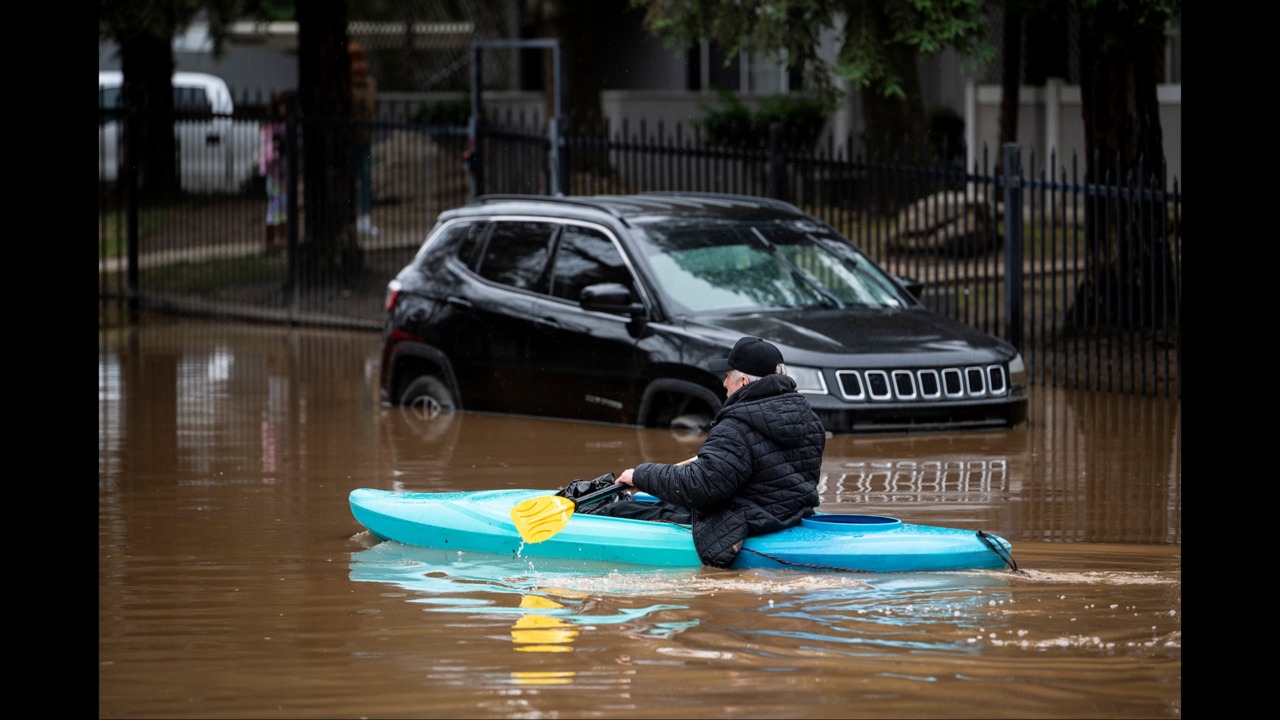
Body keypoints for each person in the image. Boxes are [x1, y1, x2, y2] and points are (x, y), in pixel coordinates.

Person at [585, 336, 826, 568]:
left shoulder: (736, 427)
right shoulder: (810, 419)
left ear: (743, 382)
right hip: (789, 515)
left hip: (743, 523)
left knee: (616, 510)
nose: (723, 384)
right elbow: (759, 468)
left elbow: (700, 488)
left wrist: (641, 476)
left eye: (727, 376)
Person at [349, 42, 379, 237]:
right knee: (351, 181)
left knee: (366, 179)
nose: (360, 65)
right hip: (349, 142)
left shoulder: (370, 84)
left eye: (363, 60)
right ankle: (352, 219)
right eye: (356, 61)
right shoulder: (346, 85)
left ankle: (366, 218)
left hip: (365, 140)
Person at [258, 91, 289, 256]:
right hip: (274, 174)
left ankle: (280, 241)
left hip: (284, 173)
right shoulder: (269, 128)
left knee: (282, 206)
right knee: (276, 207)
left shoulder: (287, 125)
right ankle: (275, 242)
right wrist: (276, 151)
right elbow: (267, 152)